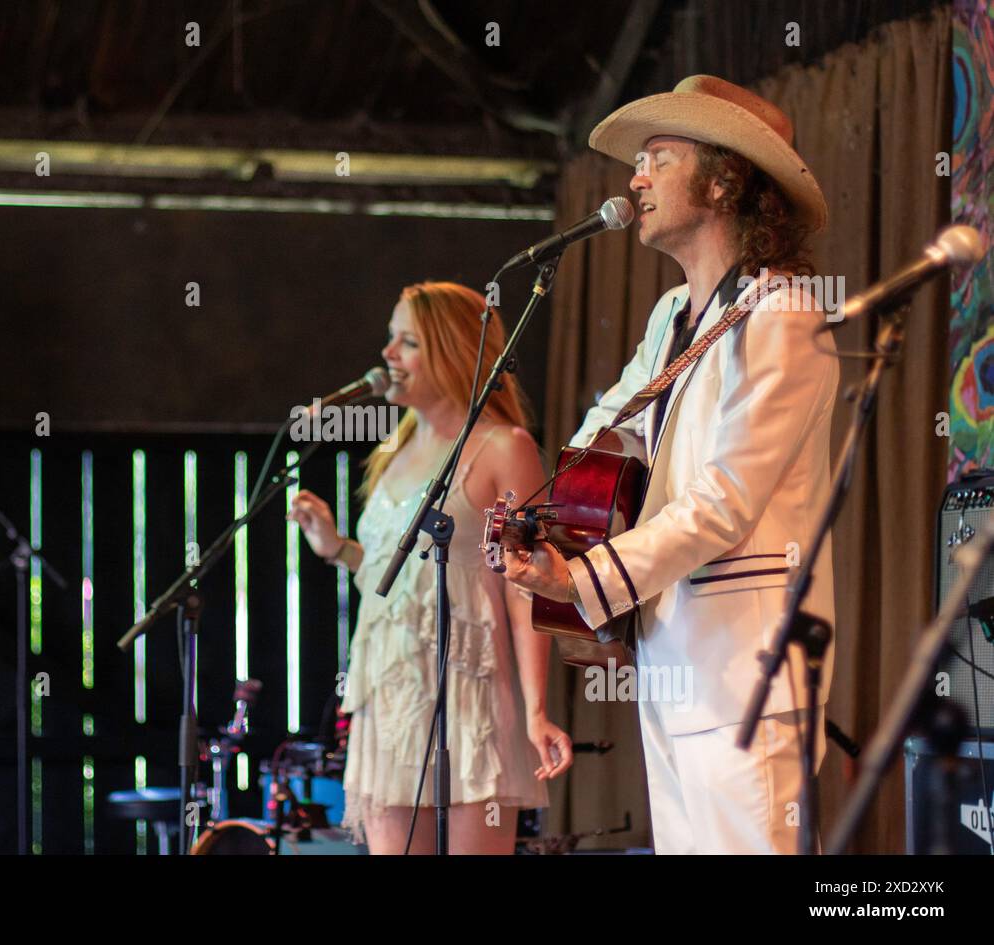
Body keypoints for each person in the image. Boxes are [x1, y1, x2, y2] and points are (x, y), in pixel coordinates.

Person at [503, 75, 839, 854]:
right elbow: (606, 432)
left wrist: (582, 579)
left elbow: (725, 499)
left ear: (722, 179)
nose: (636, 178)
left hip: (744, 676)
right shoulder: (671, 318)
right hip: (675, 664)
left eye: (658, 157)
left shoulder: (784, 313)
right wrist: (543, 519)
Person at [288, 280, 573, 854]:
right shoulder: (394, 451)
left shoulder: (504, 446)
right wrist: (338, 549)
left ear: (453, 353)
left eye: (408, 342)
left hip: (468, 698)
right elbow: (403, 582)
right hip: (388, 702)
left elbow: (525, 586)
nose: (388, 355)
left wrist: (537, 710)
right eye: (391, 339)